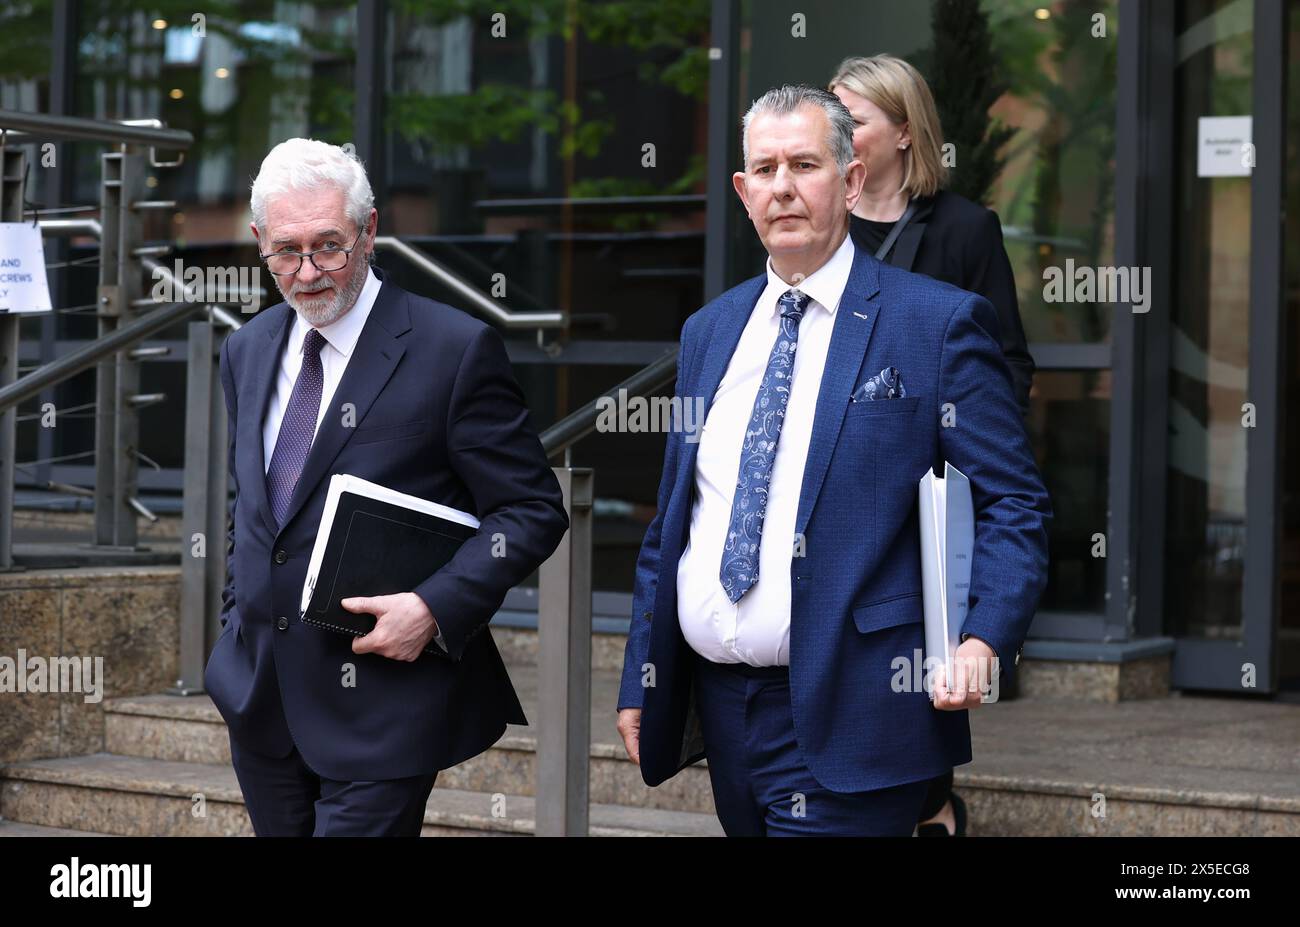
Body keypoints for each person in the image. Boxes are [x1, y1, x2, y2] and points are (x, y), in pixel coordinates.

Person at [615, 85, 1051, 836]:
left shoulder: (936, 323)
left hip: (860, 711)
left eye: (805, 164)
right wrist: (639, 675)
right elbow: (677, 522)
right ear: (743, 193)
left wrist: (984, 636)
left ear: (849, 181)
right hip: (721, 713)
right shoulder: (708, 332)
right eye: (766, 169)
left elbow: (1014, 501)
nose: (783, 186)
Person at [204, 138, 568, 836]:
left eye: (329, 246)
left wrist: (435, 606)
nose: (309, 272)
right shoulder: (245, 350)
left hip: (384, 704)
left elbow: (529, 509)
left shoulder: (452, 349)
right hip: (260, 699)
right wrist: (234, 626)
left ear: (370, 231)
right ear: (257, 241)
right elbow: (251, 509)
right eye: (286, 250)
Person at [830, 53, 1037, 834]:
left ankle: (931, 802)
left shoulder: (964, 229)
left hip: (929, 489)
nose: (838, 129)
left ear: (904, 133)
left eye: (853, 117)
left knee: (927, 646)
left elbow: (1008, 361)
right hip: (837, 486)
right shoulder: (824, 225)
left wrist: (958, 441)